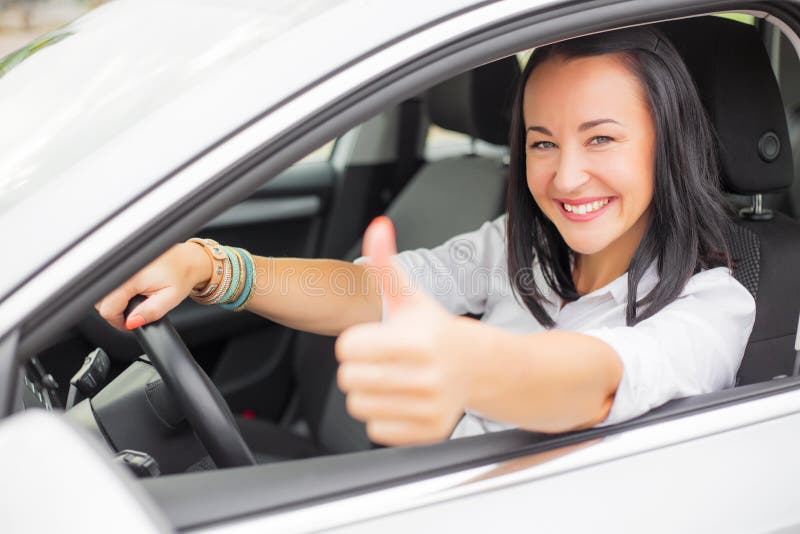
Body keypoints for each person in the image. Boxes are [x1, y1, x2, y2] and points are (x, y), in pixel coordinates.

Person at [96, 27, 756, 446]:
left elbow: (600, 382)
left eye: (602, 138)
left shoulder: (714, 310)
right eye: (542, 142)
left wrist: (467, 367)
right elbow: (367, 289)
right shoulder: (516, 249)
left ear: (667, 146)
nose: (567, 175)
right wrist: (210, 267)